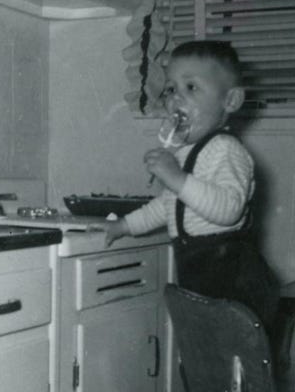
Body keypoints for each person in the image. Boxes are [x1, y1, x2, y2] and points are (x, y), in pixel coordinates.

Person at [105, 40, 280, 332]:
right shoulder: (186, 153)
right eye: (171, 89)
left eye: (191, 87)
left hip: (231, 275)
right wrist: (125, 225)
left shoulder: (225, 149)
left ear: (231, 101)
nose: (176, 98)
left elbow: (229, 209)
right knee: (204, 346)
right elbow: (168, 206)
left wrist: (176, 178)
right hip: (198, 269)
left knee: (233, 350)